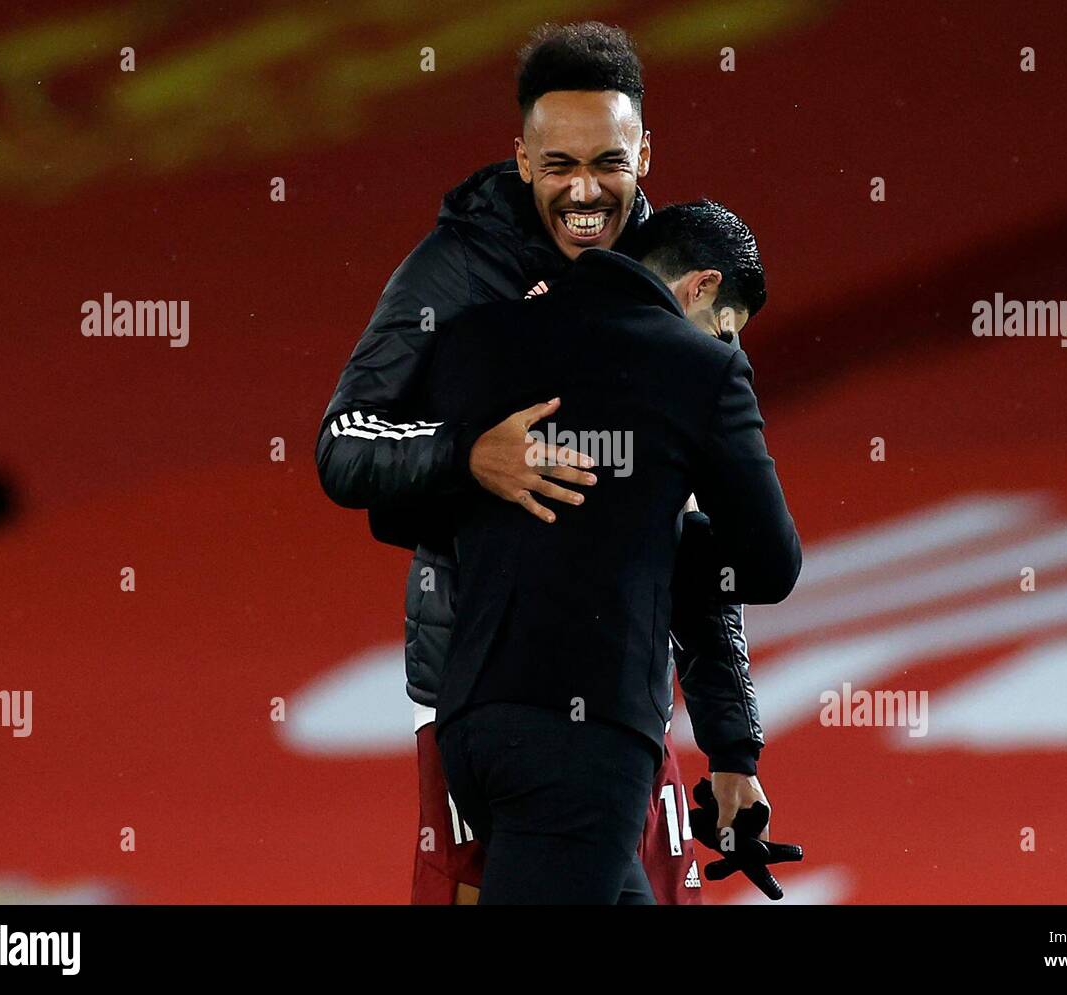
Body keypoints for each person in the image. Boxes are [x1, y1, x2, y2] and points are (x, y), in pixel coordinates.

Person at [317, 22, 767, 905]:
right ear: (520, 160)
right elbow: (345, 442)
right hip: (482, 689)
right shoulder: (456, 273)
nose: (585, 191)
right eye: (558, 165)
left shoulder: (675, 278)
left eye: (608, 161)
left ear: (645, 152)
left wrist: (732, 745)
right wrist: (466, 455)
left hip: (618, 695)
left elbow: (701, 531)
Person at [425, 201, 800, 904]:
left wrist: (731, 749)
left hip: (473, 718)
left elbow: (397, 502)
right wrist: (664, 520)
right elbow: (769, 564)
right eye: (727, 330)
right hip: (583, 738)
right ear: (699, 286)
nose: (731, 350)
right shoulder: (697, 371)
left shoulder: (481, 336)